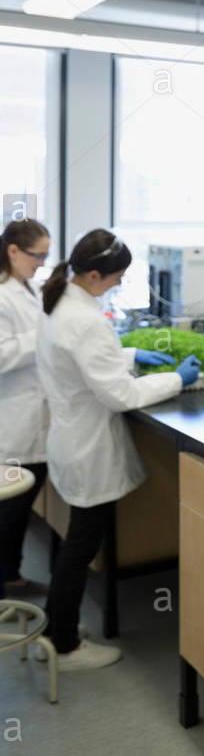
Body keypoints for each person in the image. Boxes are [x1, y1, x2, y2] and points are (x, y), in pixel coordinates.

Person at [35, 229, 201, 671]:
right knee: (80, 546)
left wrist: (127, 354)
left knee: (76, 543)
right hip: (86, 447)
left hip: (71, 438)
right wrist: (177, 381)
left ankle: (56, 628)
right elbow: (119, 396)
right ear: (94, 274)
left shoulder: (60, 302)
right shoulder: (84, 319)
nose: (118, 285)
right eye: (116, 278)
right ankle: (63, 644)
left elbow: (87, 365)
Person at [0, 218, 51, 595]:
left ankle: (10, 576)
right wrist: (43, 336)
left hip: (34, 415)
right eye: (38, 256)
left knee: (17, 508)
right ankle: (4, 584)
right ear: (13, 251)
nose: (41, 263)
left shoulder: (28, 286)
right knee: (10, 510)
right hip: (13, 419)